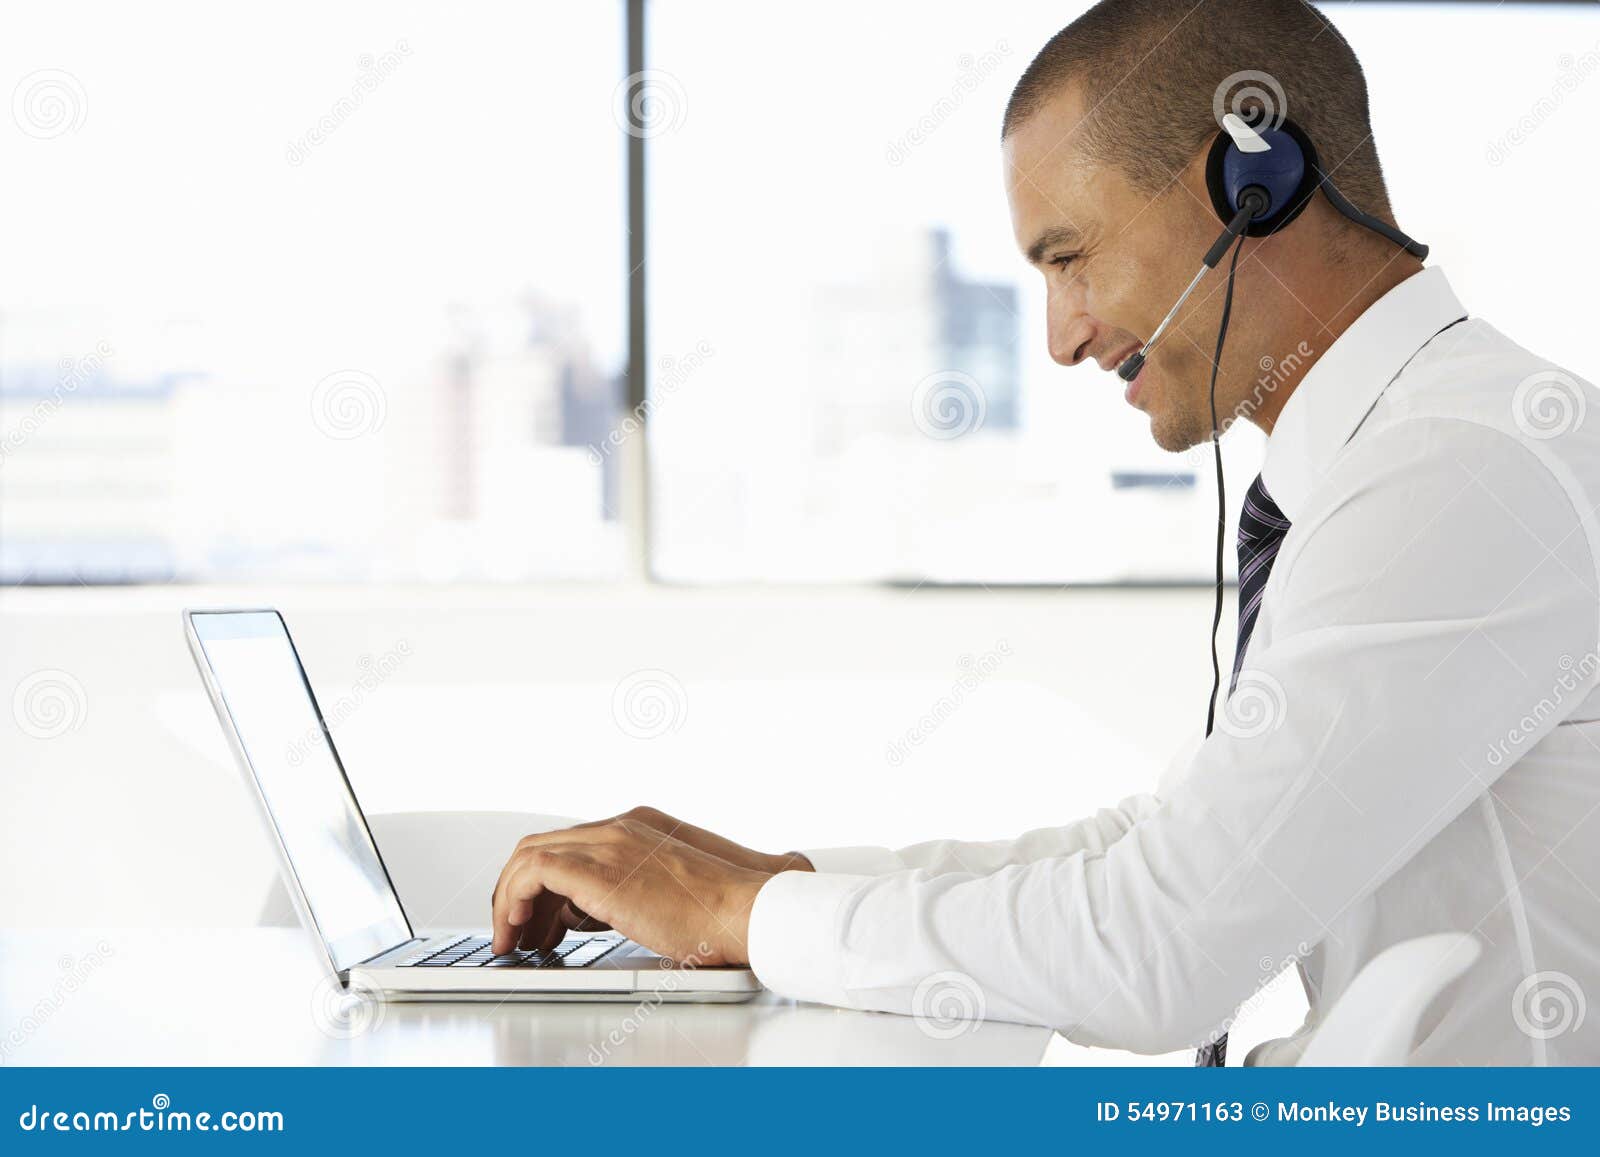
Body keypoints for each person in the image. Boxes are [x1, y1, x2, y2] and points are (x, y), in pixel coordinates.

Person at [490, 0, 1600, 1064]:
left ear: (1251, 176)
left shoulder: (1461, 468)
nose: (1062, 337)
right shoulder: (1392, 459)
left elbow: (1156, 949)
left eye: (1069, 257)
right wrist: (773, 883)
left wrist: (751, 911)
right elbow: (1159, 848)